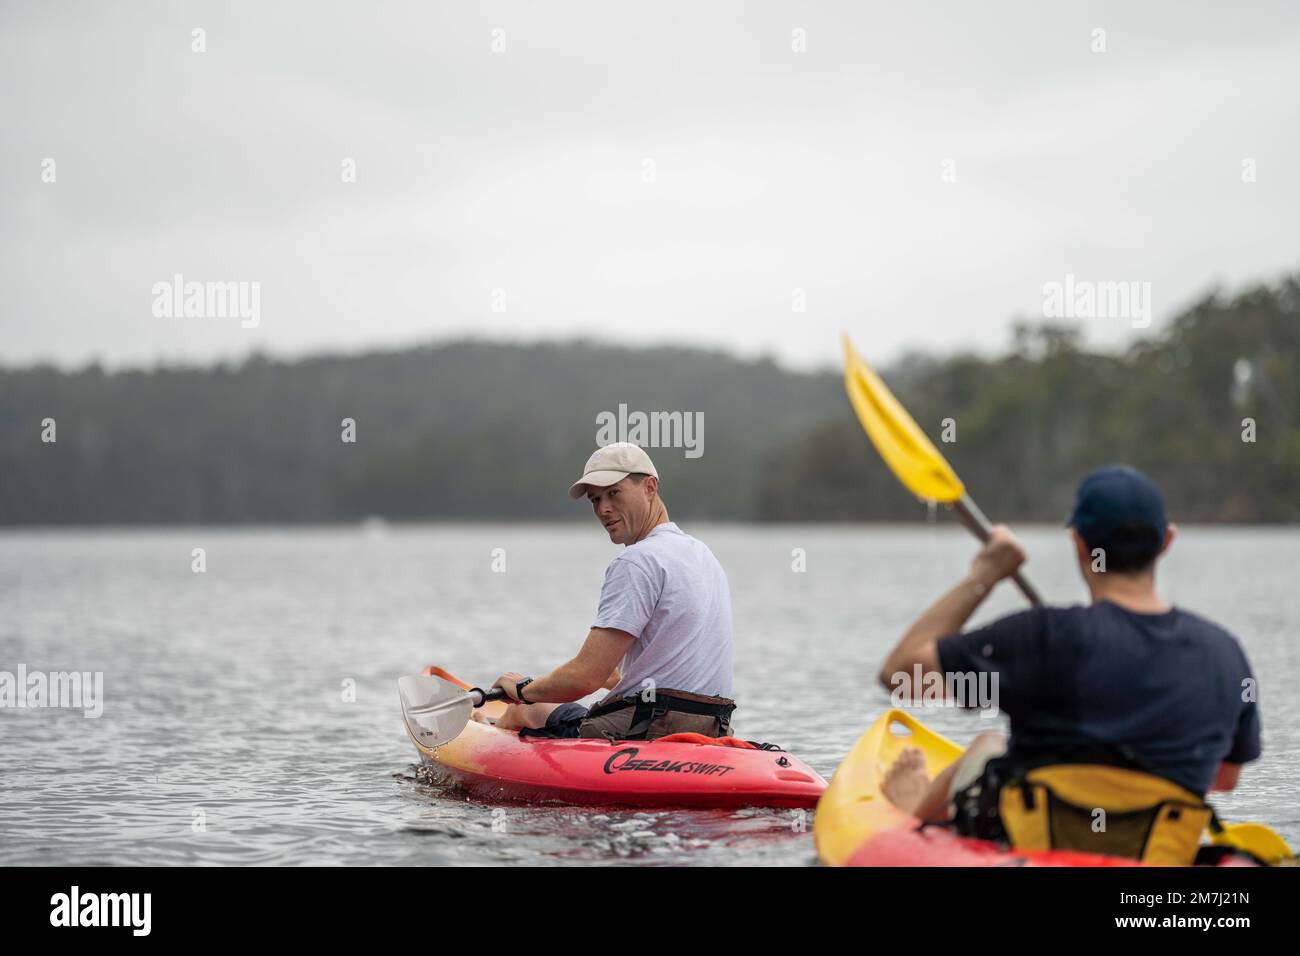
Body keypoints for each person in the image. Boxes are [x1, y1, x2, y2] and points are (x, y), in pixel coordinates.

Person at [876, 464, 1261, 827]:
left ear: (1079, 544)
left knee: (989, 744)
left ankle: (911, 813)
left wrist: (986, 574)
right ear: (1166, 541)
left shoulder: (1040, 636)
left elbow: (901, 675)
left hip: (1045, 838)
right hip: (1161, 846)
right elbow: (1224, 779)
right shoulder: (1225, 655)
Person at [485, 442, 736, 740]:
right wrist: (617, 678)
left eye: (614, 493)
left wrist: (524, 689)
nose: (603, 509)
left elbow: (584, 677)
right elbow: (669, 662)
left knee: (524, 710)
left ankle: (481, 727)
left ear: (650, 487)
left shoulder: (637, 560)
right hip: (713, 727)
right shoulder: (702, 554)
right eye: (595, 499)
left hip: (645, 728)